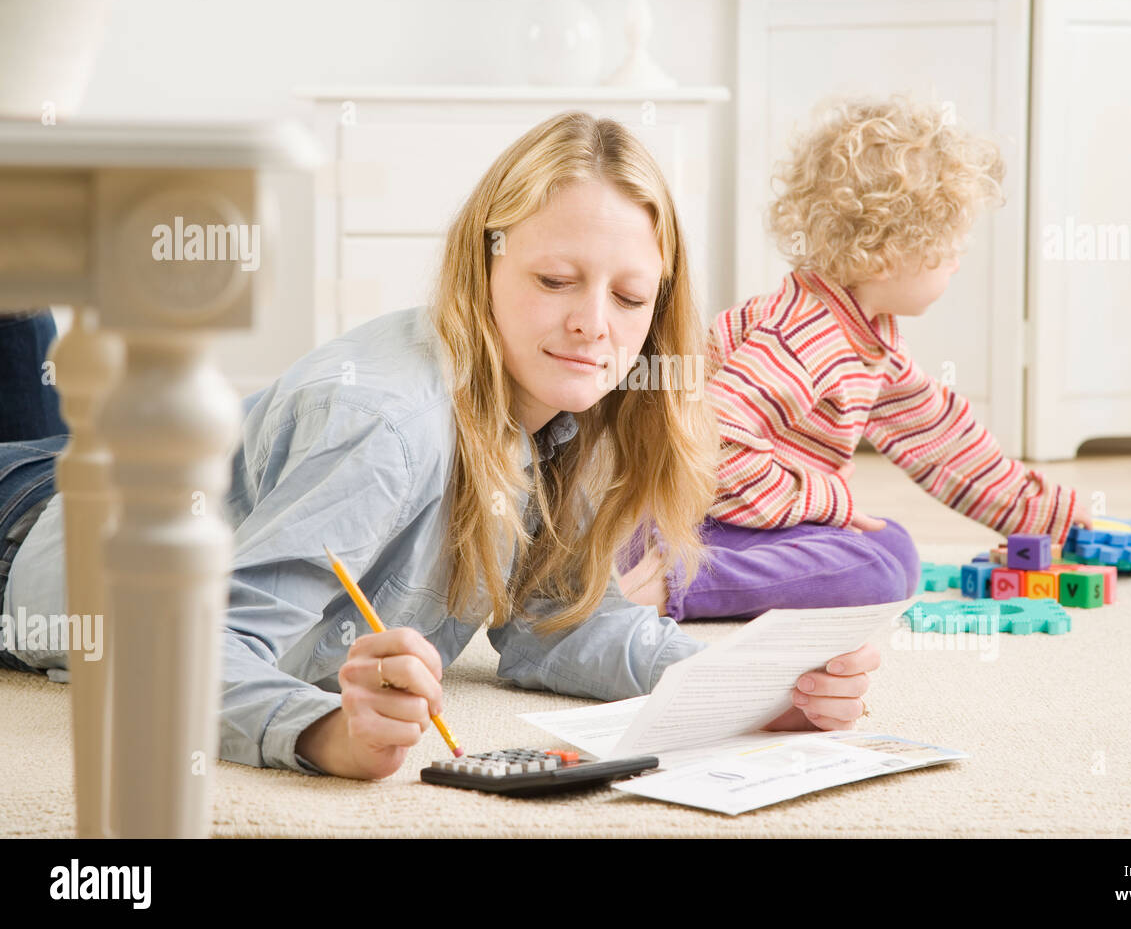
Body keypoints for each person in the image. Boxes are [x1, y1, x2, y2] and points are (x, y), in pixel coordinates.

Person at [0, 111, 880, 781]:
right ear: (481, 264)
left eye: (630, 296)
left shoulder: (570, 409)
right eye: (553, 280)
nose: (593, 324)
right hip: (31, 535)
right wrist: (320, 733)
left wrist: (747, 687)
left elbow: (549, 630)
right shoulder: (388, 424)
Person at [617, 93, 1093, 619]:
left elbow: (942, 442)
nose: (959, 261)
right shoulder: (805, 336)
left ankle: (675, 571)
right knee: (883, 566)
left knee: (890, 548)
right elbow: (712, 445)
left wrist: (1051, 517)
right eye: (951, 245)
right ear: (889, 256)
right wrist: (827, 501)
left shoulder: (869, 339)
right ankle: (672, 581)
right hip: (683, 521)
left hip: (738, 515)